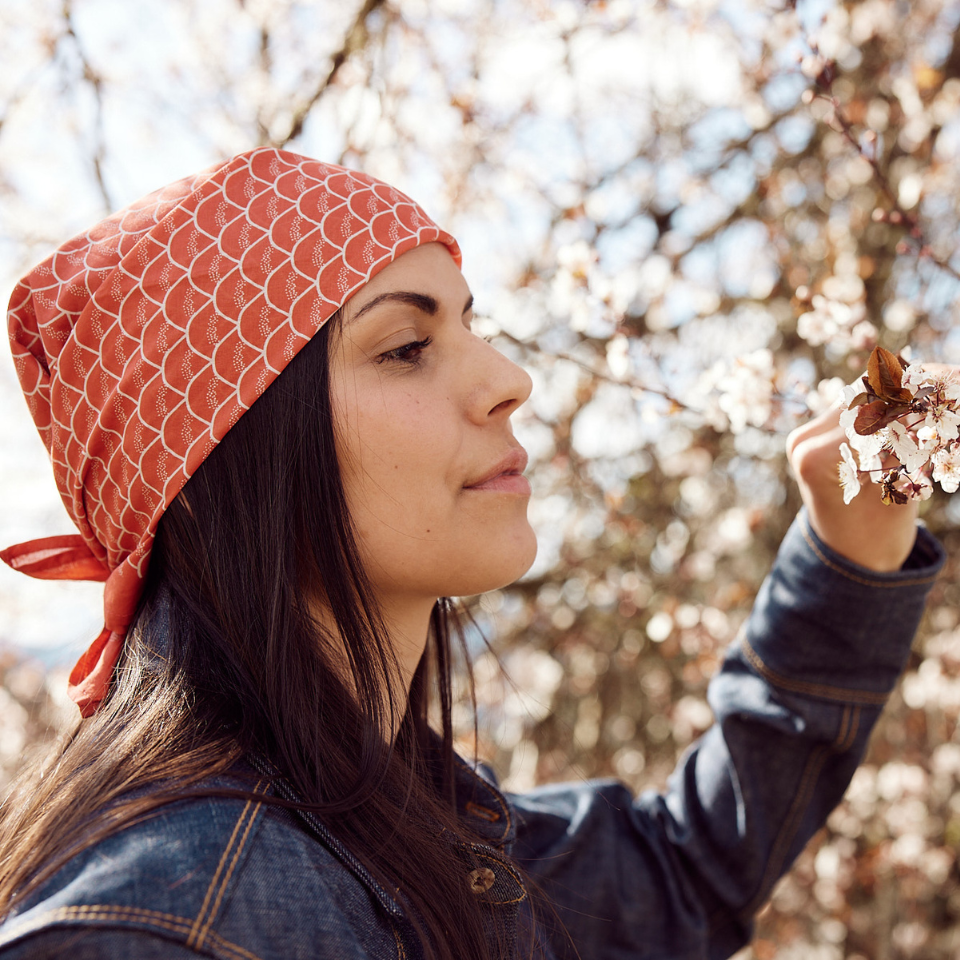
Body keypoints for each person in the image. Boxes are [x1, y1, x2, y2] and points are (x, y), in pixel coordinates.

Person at [0, 147, 944, 960]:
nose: (509, 379)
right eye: (406, 346)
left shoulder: (417, 829)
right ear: (221, 468)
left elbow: (687, 869)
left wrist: (848, 545)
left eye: (468, 324)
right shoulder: (162, 926)